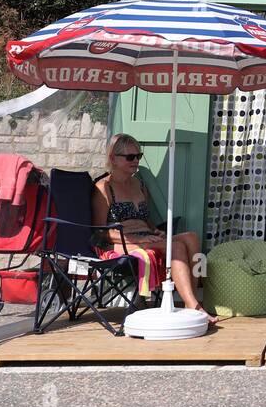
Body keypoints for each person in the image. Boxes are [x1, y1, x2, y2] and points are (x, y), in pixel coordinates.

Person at [92, 133, 216, 323]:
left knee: (191, 237)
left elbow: (145, 218)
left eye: (138, 156)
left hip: (145, 236)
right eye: (130, 157)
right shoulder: (104, 188)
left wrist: (153, 230)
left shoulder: (139, 184)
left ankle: (190, 301)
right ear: (113, 159)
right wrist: (139, 239)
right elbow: (100, 232)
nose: (135, 161)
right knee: (175, 247)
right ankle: (194, 306)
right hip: (118, 243)